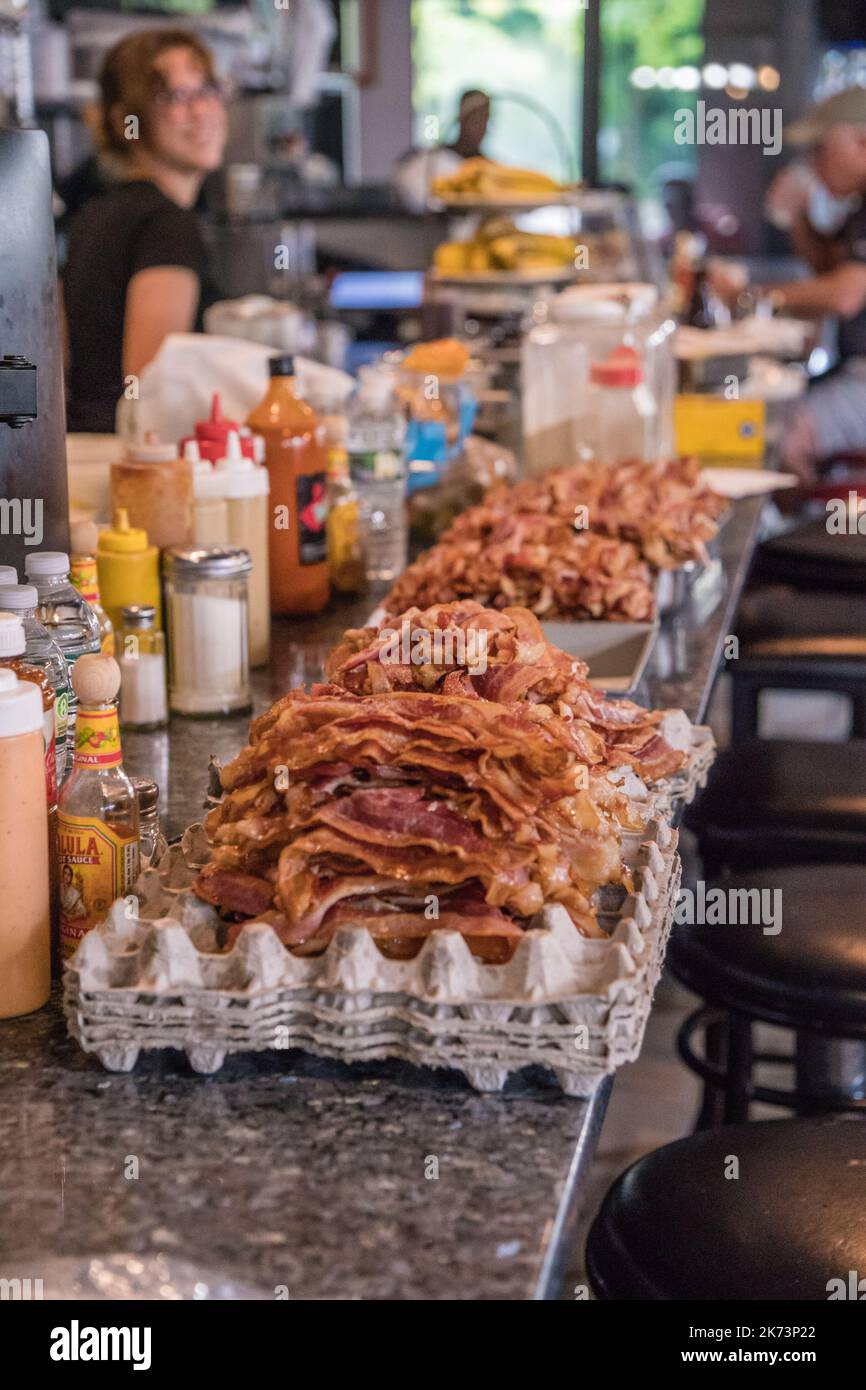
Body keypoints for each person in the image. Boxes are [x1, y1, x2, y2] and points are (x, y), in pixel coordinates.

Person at [62, 28, 228, 433]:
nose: (201, 111)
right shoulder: (166, 224)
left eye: (206, 90)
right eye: (175, 96)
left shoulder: (95, 213)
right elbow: (151, 391)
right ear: (127, 122)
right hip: (127, 454)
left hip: (81, 446)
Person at [755, 89, 866, 484]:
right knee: (767, 411)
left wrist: (748, 297)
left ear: (861, 143)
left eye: (820, 150)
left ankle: (808, 518)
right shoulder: (858, 205)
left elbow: (845, 296)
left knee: (773, 434)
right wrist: (797, 215)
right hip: (852, 370)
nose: (812, 164)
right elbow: (831, 267)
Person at [393, 89, 491, 211]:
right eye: (476, 118)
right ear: (462, 118)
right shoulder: (436, 159)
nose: (481, 126)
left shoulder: (488, 167)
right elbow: (416, 195)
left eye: (486, 119)